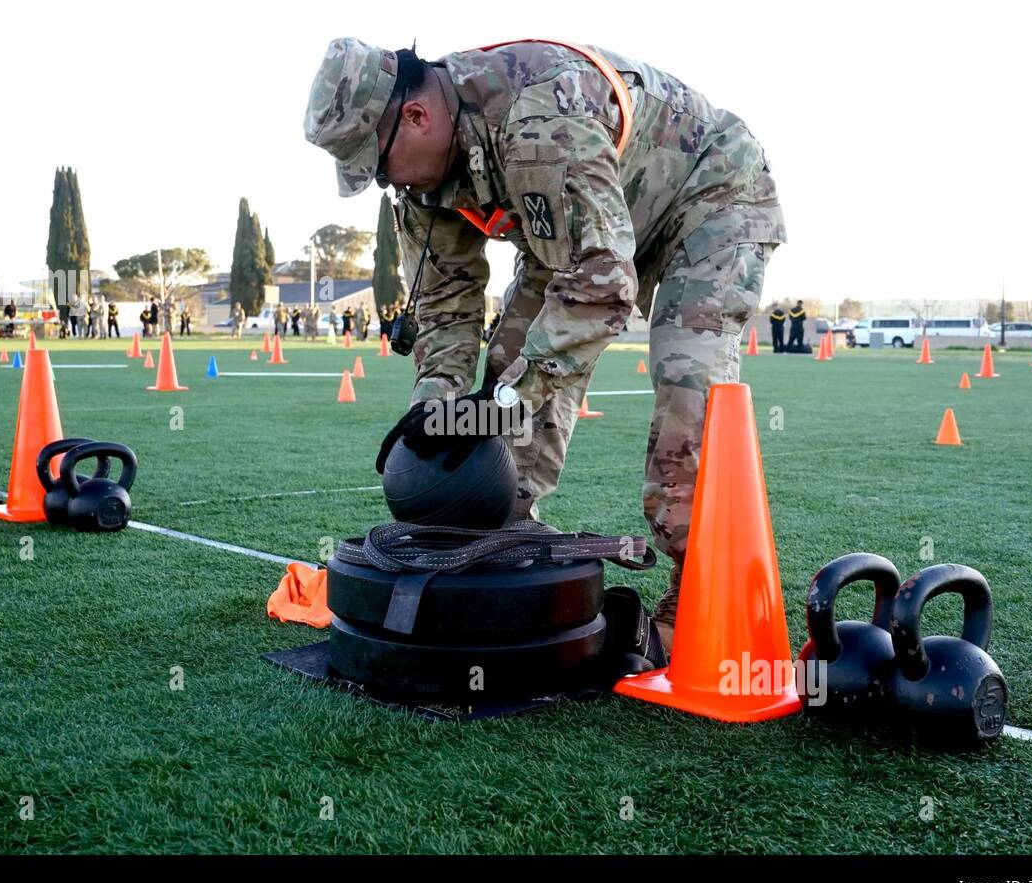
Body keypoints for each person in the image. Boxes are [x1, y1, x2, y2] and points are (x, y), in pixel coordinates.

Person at [304, 39, 786, 650]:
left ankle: (700, 599)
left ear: (416, 116)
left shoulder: (536, 116)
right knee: (510, 364)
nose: (385, 182)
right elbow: (445, 306)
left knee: (687, 380)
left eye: (378, 165)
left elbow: (604, 285)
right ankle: (504, 541)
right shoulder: (422, 184)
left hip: (710, 198)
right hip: (576, 231)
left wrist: (499, 403)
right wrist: (436, 408)